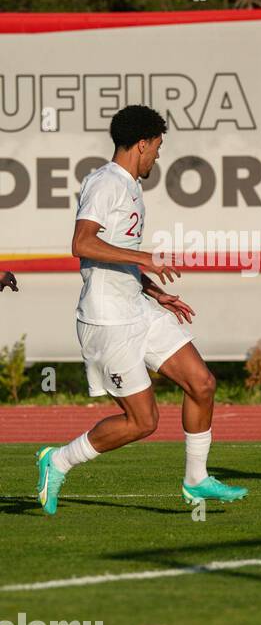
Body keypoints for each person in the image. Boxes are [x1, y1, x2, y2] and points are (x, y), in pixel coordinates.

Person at [36, 105, 247, 515]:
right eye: (157, 148)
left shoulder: (132, 187)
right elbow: (82, 244)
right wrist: (147, 258)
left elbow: (115, 257)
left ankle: (196, 479)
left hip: (137, 308)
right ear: (142, 144)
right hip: (107, 321)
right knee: (142, 422)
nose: (158, 157)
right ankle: (57, 460)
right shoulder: (105, 184)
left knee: (201, 383)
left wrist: (151, 289)